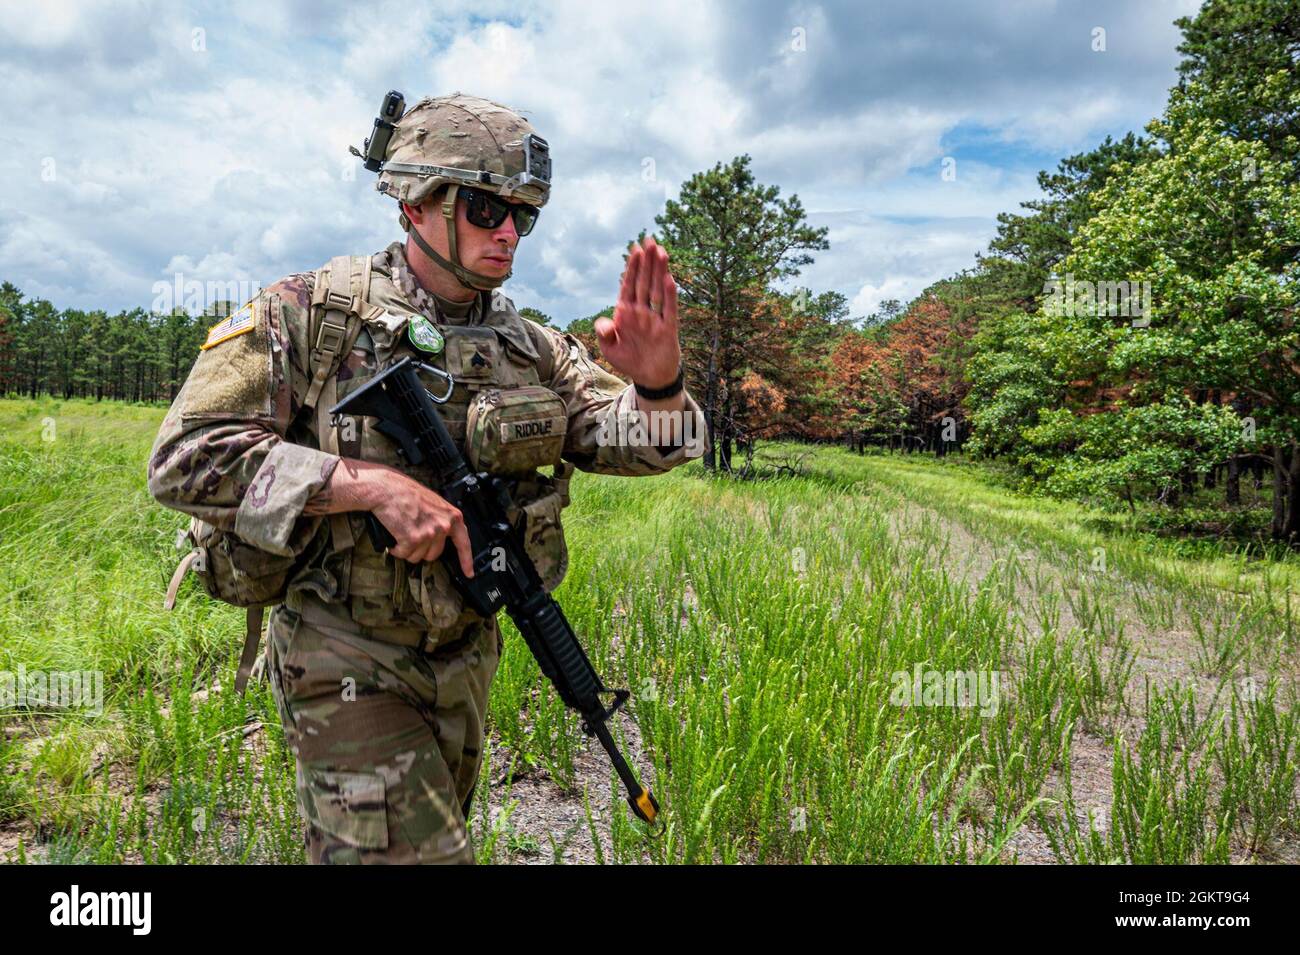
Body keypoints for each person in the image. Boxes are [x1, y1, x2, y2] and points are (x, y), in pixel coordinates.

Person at [147, 93, 707, 864]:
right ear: (415, 201)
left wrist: (660, 385)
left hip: (465, 658)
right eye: (485, 205)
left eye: (523, 212)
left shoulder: (529, 347)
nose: (508, 229)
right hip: (343, 651)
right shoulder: (311, 315)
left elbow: (655, 442)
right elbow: (184, 454)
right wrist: (363, 484)